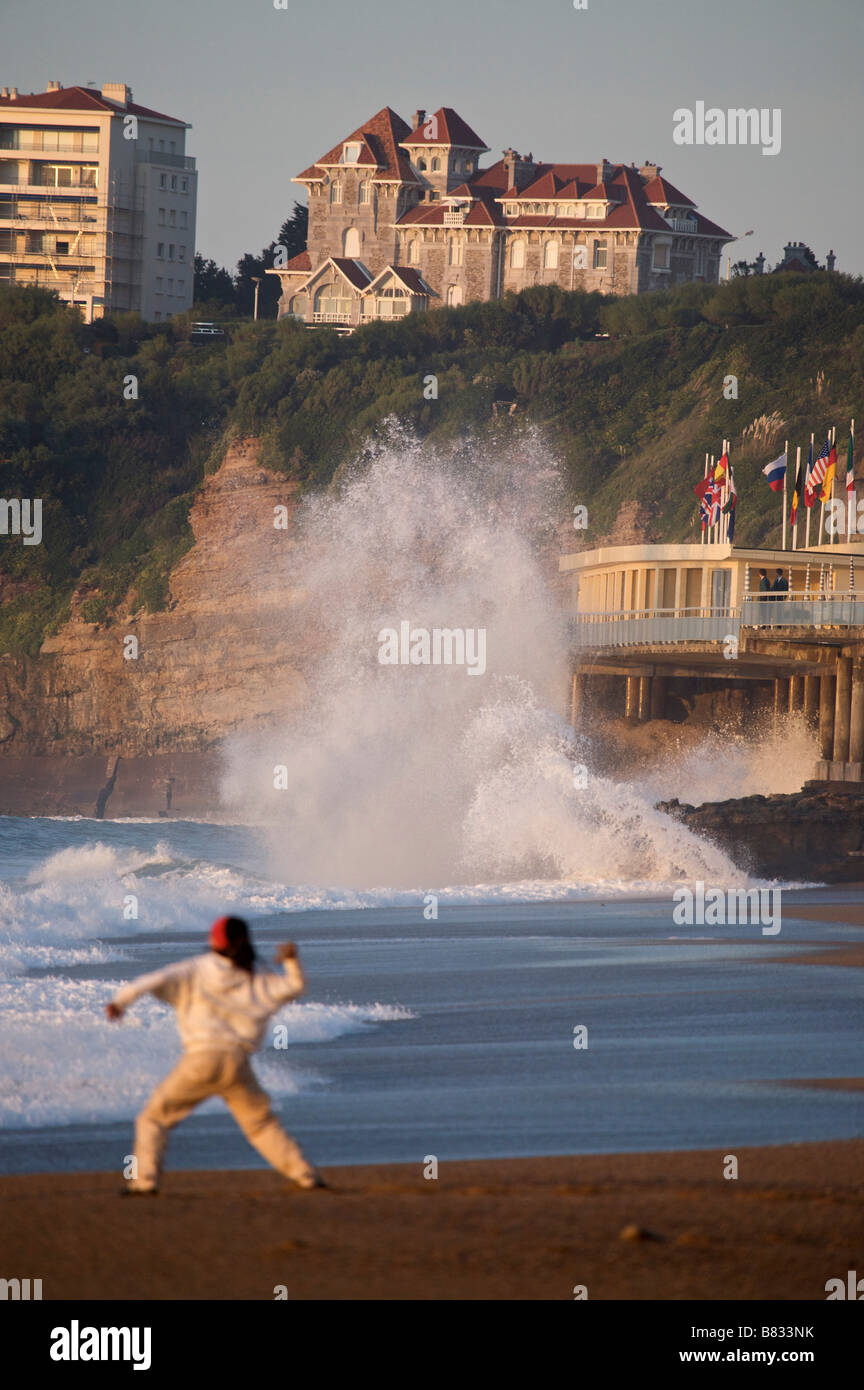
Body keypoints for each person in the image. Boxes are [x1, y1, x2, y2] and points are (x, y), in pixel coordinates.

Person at [106, 916, 325, 1195]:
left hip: (201, 1060)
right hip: (237, 1063)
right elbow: (295, 987)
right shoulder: (256, 977)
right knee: (261, 1126)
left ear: (214, 941)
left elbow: (149, 981)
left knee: (153, 1119)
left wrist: (119, 1003)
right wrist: (291, 961)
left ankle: (144, 1183)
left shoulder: (196, 969)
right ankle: (306, 1176)